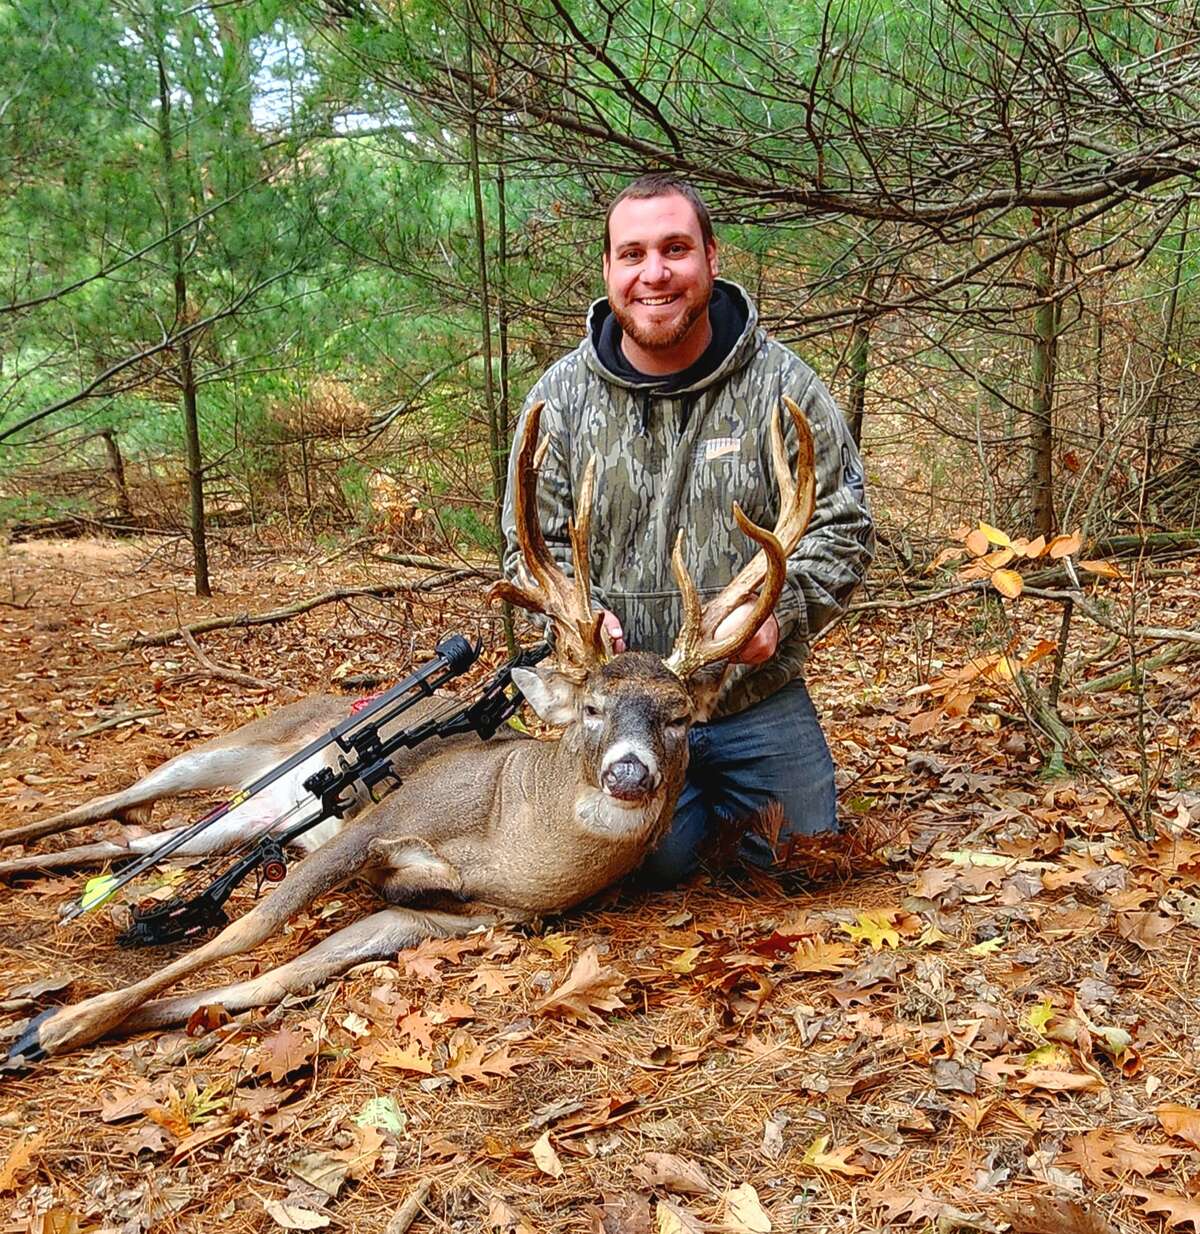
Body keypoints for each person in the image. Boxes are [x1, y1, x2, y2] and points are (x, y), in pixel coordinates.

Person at [501, 173, 873, 886]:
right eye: (632, 254)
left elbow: (843, 523)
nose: (655, 273)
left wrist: (780, 611)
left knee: (794, 862)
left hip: (744, 696)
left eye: (675, 249)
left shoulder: (781, 387)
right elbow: (528, 547)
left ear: (710, 255)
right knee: (646, 868)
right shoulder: (560, 399)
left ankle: (693, 814)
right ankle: (670, 832)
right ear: (609, 269)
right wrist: (575, 621)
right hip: (611, 710)